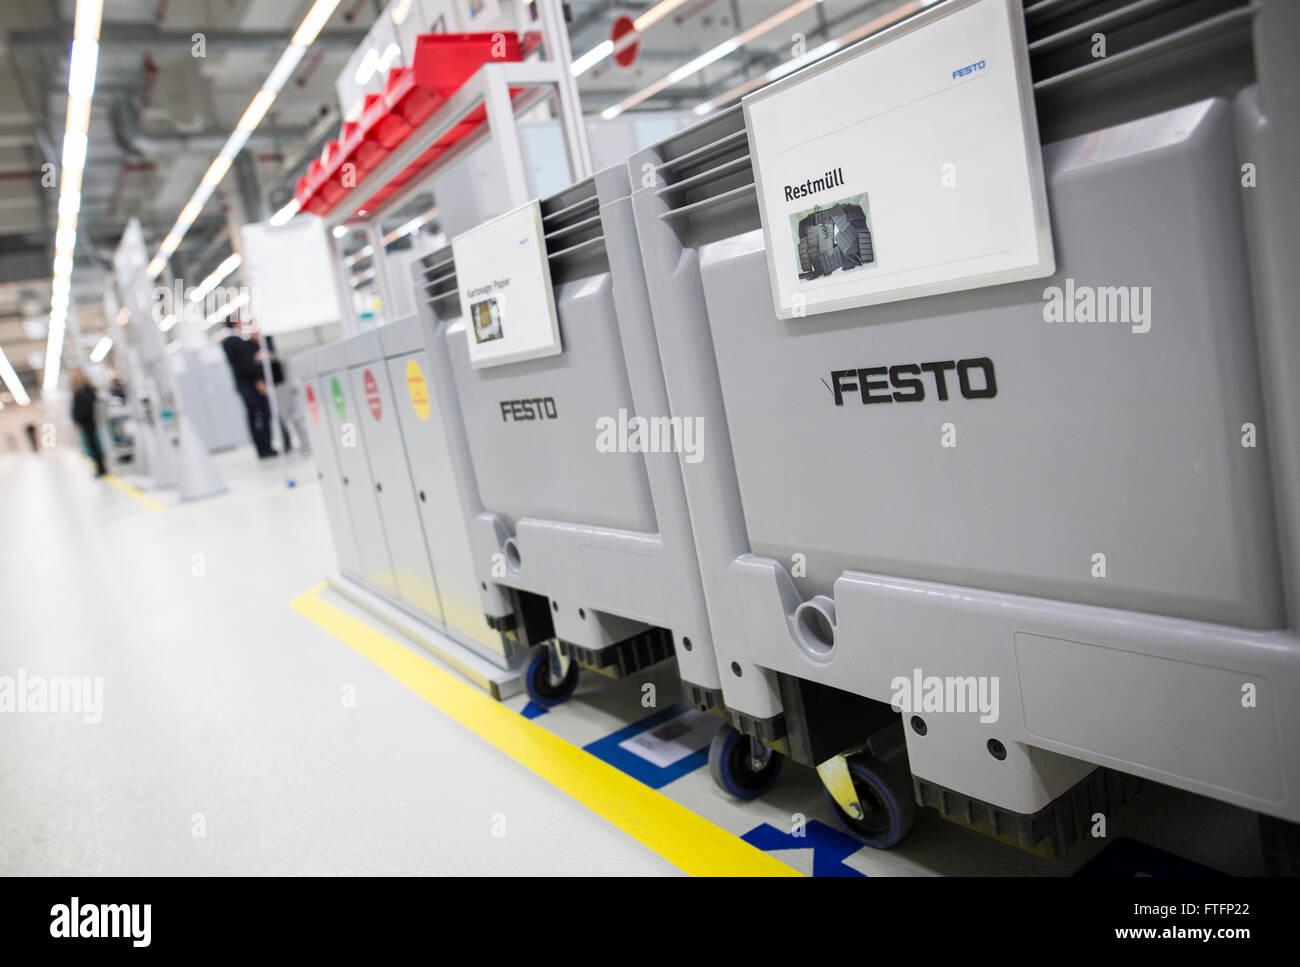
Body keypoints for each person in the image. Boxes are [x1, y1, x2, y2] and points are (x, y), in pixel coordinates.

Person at [221, 318, 275, 458]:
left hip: (243, 385)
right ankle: (266, 448)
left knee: (253, 416)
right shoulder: (237, 341)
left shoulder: (228, 342)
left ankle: (262, 448)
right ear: (236, 323)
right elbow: (247, 364)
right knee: (261, 414)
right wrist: (258, 380)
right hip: (250, 385)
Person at [69, 368, 107, 477]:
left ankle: (101, 468)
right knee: (90, 446)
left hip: (88, 421)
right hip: (83, 422)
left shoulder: (86, 389)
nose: (74, 377)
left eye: (75, 375)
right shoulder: (77, 389)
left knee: (94, 445)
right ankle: (98, 467)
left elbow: (86, 406)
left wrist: (80, 418)